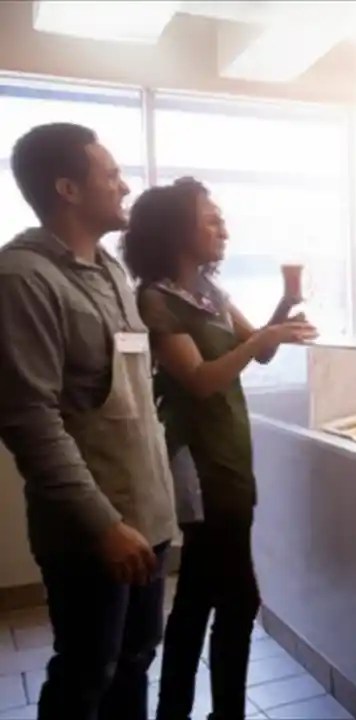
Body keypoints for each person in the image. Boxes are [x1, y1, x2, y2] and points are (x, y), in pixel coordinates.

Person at [0, 123, 177, 720]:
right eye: (111, 176)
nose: (124, 186)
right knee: (86, 671)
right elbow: (29, 419)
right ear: (67, 188)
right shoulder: (23, 278)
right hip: (91, 531)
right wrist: (104, 524)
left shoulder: (109, 270)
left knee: (133, 660)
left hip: (146, 514)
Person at [120, 178, 315, 720]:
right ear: (177, 231)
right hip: (199, 467)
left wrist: (285, 306)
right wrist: (259, 341)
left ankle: (183, 710)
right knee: (233, 597)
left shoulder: (210, 292)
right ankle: (218, 712)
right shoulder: (156, 299)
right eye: (211, 219)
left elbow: (262, 351)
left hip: (231, 457)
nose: (223, 229)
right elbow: (202, 378)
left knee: (204, 595)